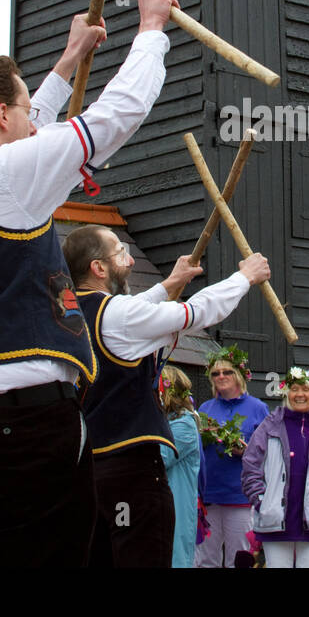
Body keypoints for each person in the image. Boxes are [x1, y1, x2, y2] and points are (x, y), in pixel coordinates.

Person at [0, 0, 175, 567]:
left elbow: (27, 135)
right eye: (26, 105)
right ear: (1, 114)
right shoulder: (3, 179)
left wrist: (67, 60)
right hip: (25, 423)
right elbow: (113, 119)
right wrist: (151, 30)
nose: (36, 117)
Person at [63, 224, 270, 567]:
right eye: (120, 253)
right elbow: (194, 313)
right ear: (98, 268)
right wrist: (244, 278)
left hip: (88, 467)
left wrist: (169, 284)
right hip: (129, 468)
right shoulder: (117, 314)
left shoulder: (72, 313)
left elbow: (129, 313)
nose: (128, 261)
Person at [241, 367, 309, 568]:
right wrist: (262, 501)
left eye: (306, 389)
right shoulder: (270, 426)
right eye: (295, 389)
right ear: (287, 393)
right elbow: (251, 465)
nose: (300, 395)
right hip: (276, 521)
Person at [196, 346, 268, 568]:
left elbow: (270, 451)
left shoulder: (257, 408)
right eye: (216, 373)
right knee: (205, 558)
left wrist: (247, 452)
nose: (221, 377)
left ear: (238, 376)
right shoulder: (205, 408)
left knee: (240, 558)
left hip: (240, 495)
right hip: (210, 495)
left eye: (227, 372)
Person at [159, 366, 202, 568]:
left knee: (175, 558)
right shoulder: (162, 420)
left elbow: (161, 458)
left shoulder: (184, 424)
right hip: (157, 503)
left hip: (177, 503)